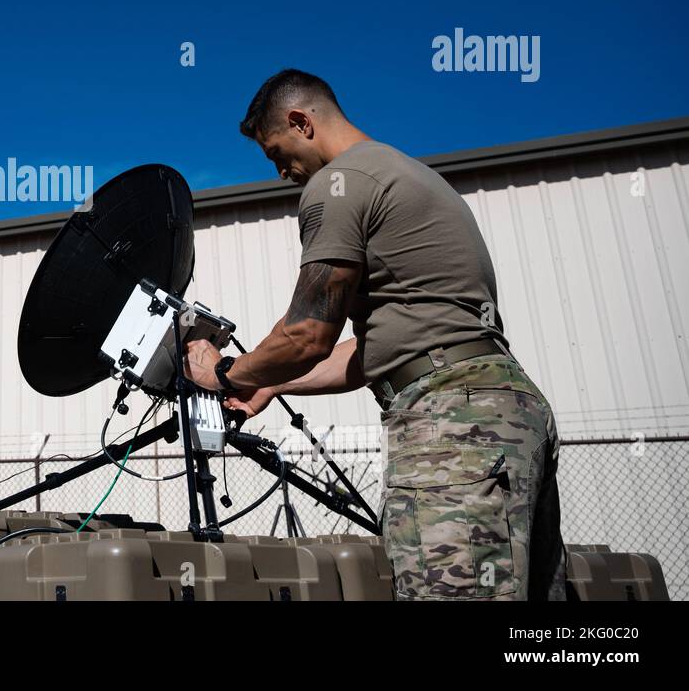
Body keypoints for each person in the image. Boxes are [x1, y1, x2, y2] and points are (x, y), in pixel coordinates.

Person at [184, 68, 567, 600]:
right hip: (505, 408)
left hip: (452, 423)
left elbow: (305, 335)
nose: (280, 172)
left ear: (301, 122)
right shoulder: (409, 173)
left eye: (277, 153)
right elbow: (376, 355)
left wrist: (221, 371)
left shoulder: (338, 185)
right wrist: (271, 385)